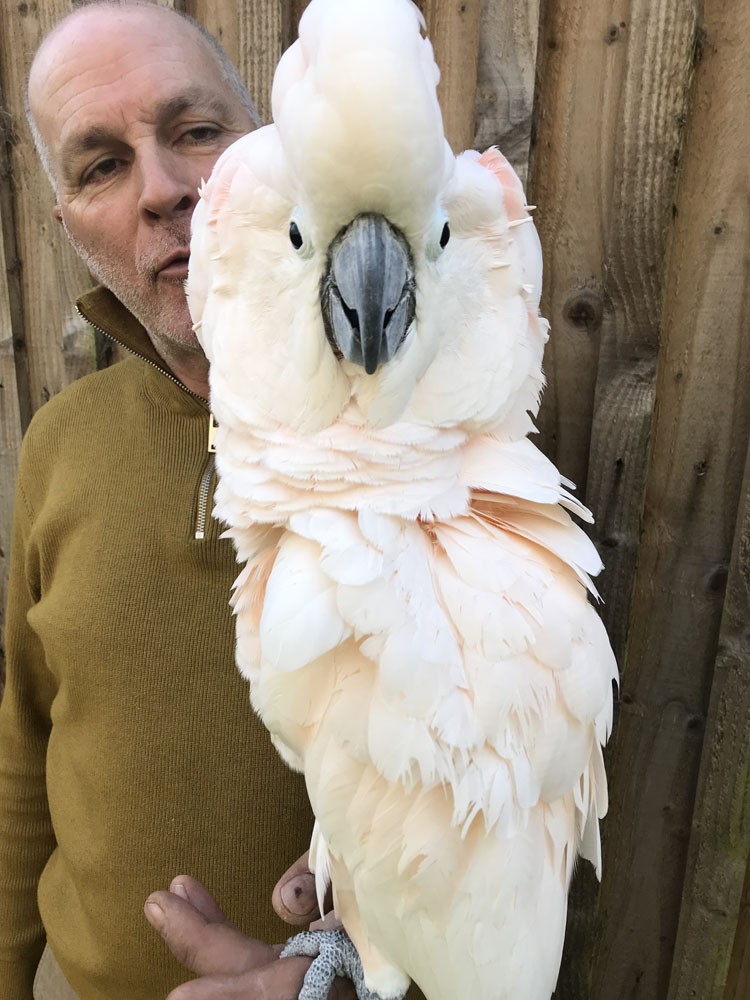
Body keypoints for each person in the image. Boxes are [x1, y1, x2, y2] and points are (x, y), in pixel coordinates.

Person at [0, 3, 352, 998]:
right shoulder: (61, 446)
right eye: (101, 165)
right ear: (70, 224)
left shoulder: (429, 446)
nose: (164, 190)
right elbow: (27, 735)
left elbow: (507, 815)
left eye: (196, 133)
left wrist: (355, 974)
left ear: (270, 153)